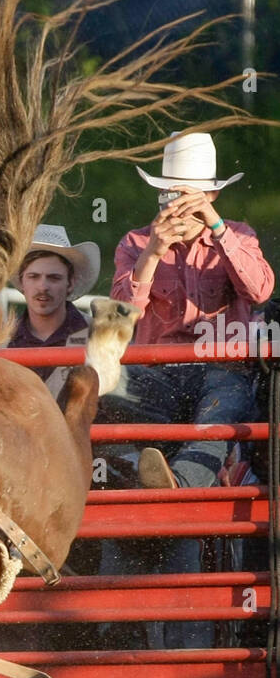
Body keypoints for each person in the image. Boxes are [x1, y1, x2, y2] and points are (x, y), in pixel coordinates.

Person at [107, 130, 273, 489]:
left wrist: (215, 225)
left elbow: (259, 291)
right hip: (156, 371)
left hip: (222, 365)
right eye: (170, 194)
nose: (176, 205)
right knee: (106, 391)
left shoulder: (239, 236)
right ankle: (188, 468)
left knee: (222, 409)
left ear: (211, 196)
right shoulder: (136, 243)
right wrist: (152, 252)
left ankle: (178, 481)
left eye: (187, 196)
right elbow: (121, 317)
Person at [7, 225, 99, 405]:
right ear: (21, 282)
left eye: (54, 278)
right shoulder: (1, 341)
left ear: (70, 283)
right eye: (33, 277)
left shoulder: (98, 336)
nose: (43, 287)